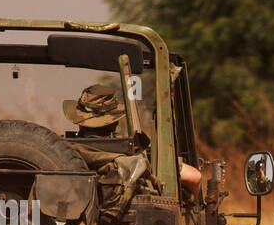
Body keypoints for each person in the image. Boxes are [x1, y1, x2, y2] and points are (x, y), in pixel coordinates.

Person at [64, 81, 202, 196]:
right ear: (114, 123)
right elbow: (194, 177)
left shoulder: (63, 151)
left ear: (78, 120)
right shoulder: (132, 158)